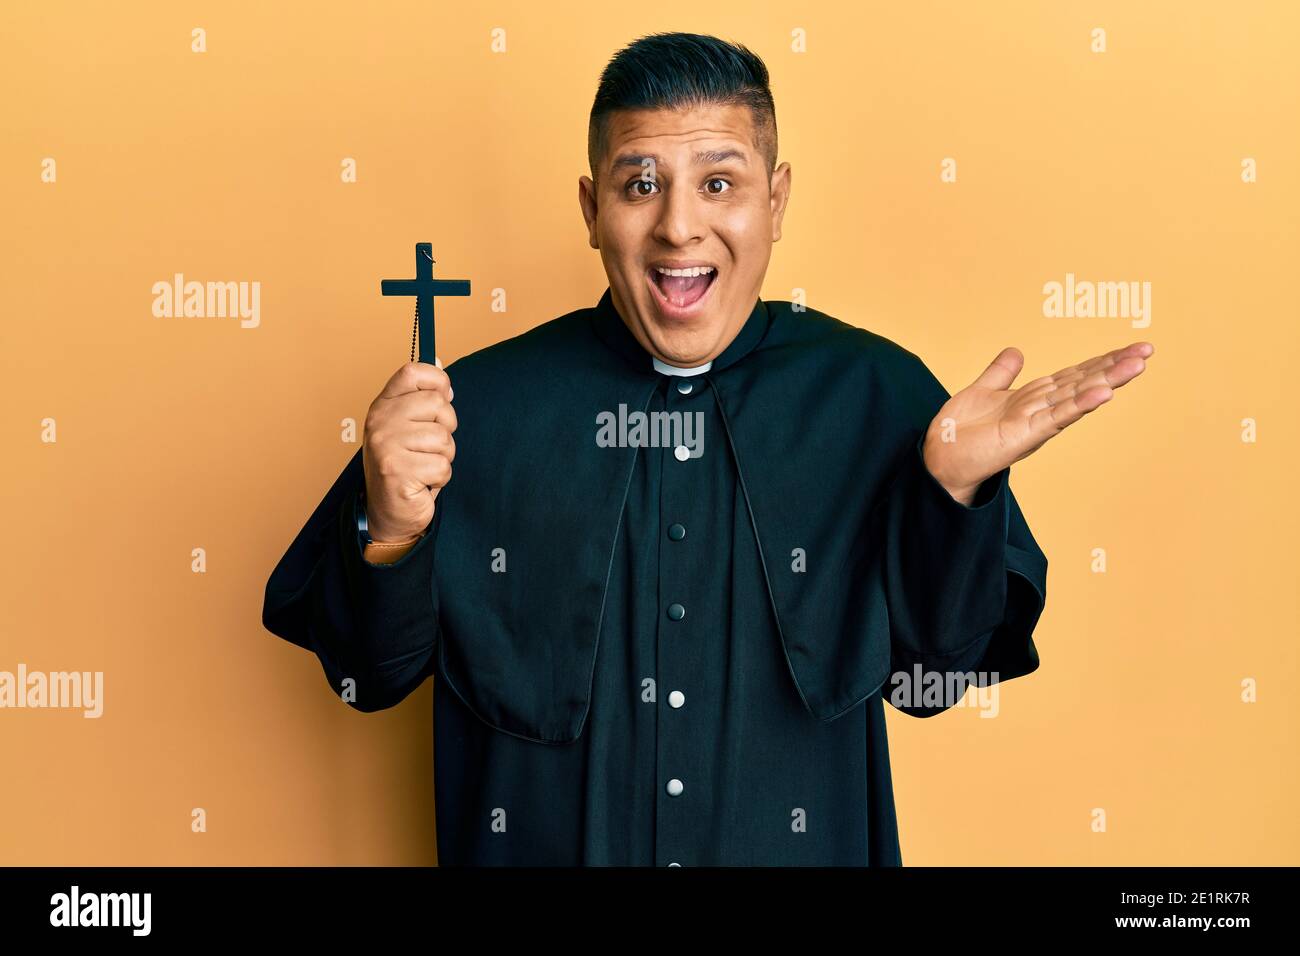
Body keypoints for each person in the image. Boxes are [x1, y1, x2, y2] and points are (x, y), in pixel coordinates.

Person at [262, 32, 1152, 866]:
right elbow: (367, 681)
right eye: (640, 184)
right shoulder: (473, 410)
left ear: (778, 199)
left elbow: (932, 683)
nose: (680, 227)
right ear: (590, 208)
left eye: (719, 183)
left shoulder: (881, 396)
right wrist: (390, 527)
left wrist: (954, 497)